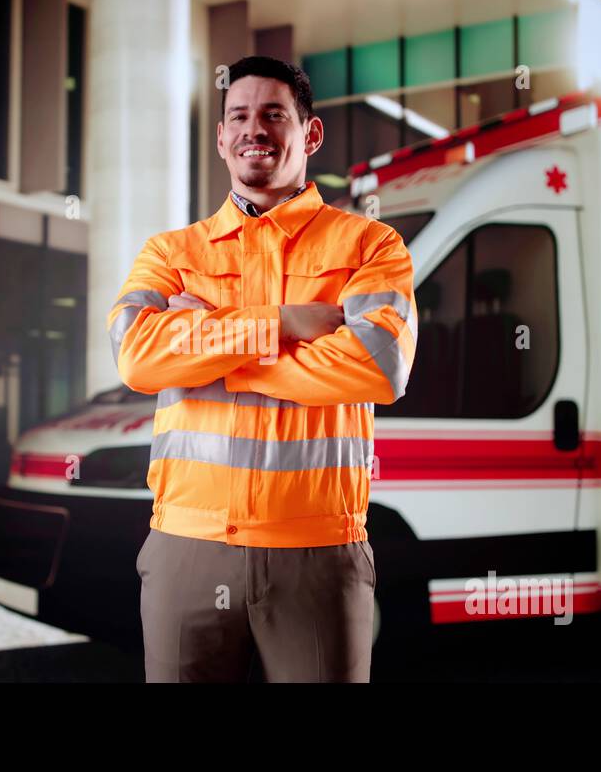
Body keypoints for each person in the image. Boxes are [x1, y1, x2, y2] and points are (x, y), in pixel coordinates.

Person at [106, 55, 416, 682]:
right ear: (222, 137)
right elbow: (138, 356)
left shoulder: (370, 246)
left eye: (274, 114)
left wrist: (207, 353)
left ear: (310, 133)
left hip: (317, 550)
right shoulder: (170, 253)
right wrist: (283, 323)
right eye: (240, 116)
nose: (256, 129)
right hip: (186, 545)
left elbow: (378, 367)